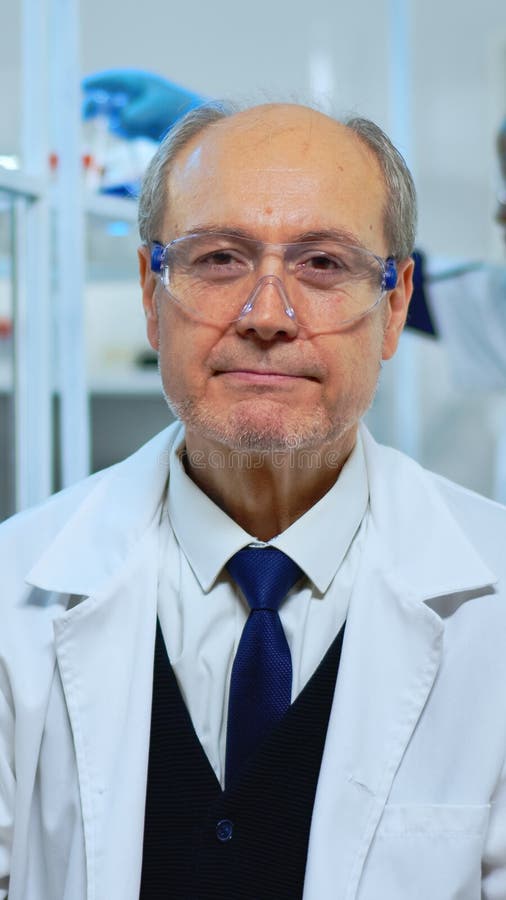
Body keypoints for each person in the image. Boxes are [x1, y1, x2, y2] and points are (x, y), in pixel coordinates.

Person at [1, 100, 506, 900]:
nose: (266, 316)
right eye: (219, 259)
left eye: (324, 265)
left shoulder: (495, 600)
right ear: (149, 289)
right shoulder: (13, 591)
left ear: (397, 305)